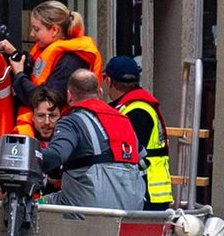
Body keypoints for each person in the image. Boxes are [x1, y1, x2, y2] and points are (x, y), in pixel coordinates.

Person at [38, 70, 146, 211]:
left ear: (69, 95)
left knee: (37, 206)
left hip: (89, 210)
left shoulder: (71, 122)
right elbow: (141, 161)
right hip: (131, 210)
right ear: (100, 93)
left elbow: (55, 155)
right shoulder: (124, 121)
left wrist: (27, 160)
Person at [0, 0, 103, 137]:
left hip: (60, 133)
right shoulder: (49, 52)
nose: (32, 34)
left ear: (54, 30)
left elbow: (46, 100)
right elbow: (35, 73)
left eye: (36, 29)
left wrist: (19, 74)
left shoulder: (70, 61)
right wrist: (15, 54)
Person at [103, 56, 173, 210]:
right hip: (149, 189)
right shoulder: (137, 106)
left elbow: (124, 154)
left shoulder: (135, 111)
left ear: (108, 81)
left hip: (146, 191)